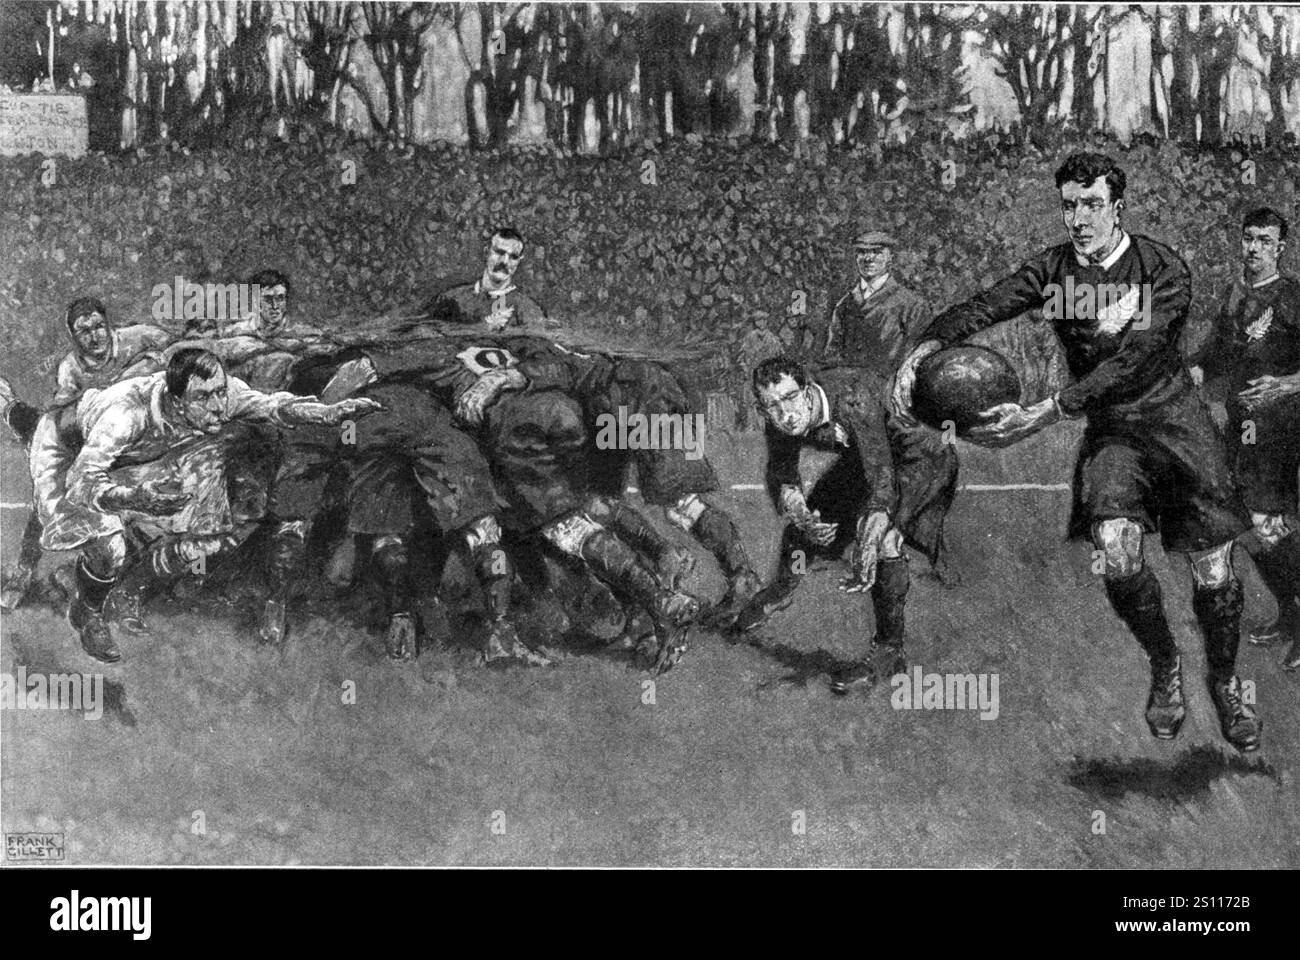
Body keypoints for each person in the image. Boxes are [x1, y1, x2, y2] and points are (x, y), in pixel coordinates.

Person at [892, 151, 1262, 752]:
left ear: (1118, 206)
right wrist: (927, 345)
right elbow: (987, 304)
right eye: (1069, 205)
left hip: (1177, 426)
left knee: (1213, 569)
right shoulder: (1055, 270)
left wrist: (1045, 411)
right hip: (1115, 433)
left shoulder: (1162, 269)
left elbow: (1134, 359)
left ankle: (1223, 682)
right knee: (1116, 552)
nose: (1079, 217)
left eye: (1092, 204)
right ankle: (1165, 665)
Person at [30, 347, 378, 662]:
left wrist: (327, 414)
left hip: (136, 459)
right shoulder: (126, 415)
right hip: (67, 455)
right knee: (110, 549)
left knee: (203, 514)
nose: (217, 406)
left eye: (220, 392)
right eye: (203, 397)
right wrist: (133, 499)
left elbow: (274, 406)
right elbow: (83, 479)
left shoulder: (221, 396)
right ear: (176, 400)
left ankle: (120, 585)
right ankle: (87, 610)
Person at [740, 357, 958, 694]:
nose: (783, 412)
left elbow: (883, 482)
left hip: (920, 458)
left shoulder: (853, 398)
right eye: (770, 405)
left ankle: (888, 652)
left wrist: (867, 543)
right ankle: (778, 592)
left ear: (809, 391)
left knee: (883, 540)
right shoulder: (779, 416)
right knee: (803, 531)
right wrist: (800, 511)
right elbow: (783, 470)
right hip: (867, 458)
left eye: (789, 398)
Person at [1, 298, 171, 610]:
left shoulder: (140, 337)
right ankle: (23, 573)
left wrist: (155, 360)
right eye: (84, 332)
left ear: (109, 325)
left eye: (98, 327)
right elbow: (63, 422)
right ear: (74, 338)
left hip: (133, 438)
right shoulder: (71, 369)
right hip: (85, 442)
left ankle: (125, 572)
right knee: (47, 498)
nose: (94, 336)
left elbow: (173, 345)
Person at [1190, 207, 1300, 671]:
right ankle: (1290, 614)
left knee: (1266, 521)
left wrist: (1287, 384)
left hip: (1282, 428)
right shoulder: (1236, 294)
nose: (1253, 247)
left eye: (1264, 240)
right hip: (1240, 428)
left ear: (1280, 248)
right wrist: (1192, 370)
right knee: (1249, 525)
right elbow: (1215, 351)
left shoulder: (1292, 296)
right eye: (1248, 238)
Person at [422, 227, 557, 332]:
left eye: (513, 257)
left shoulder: (528, 309)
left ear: (519, 262)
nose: (504, 261)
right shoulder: (452, 299)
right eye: (499, 252)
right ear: (486, 252)